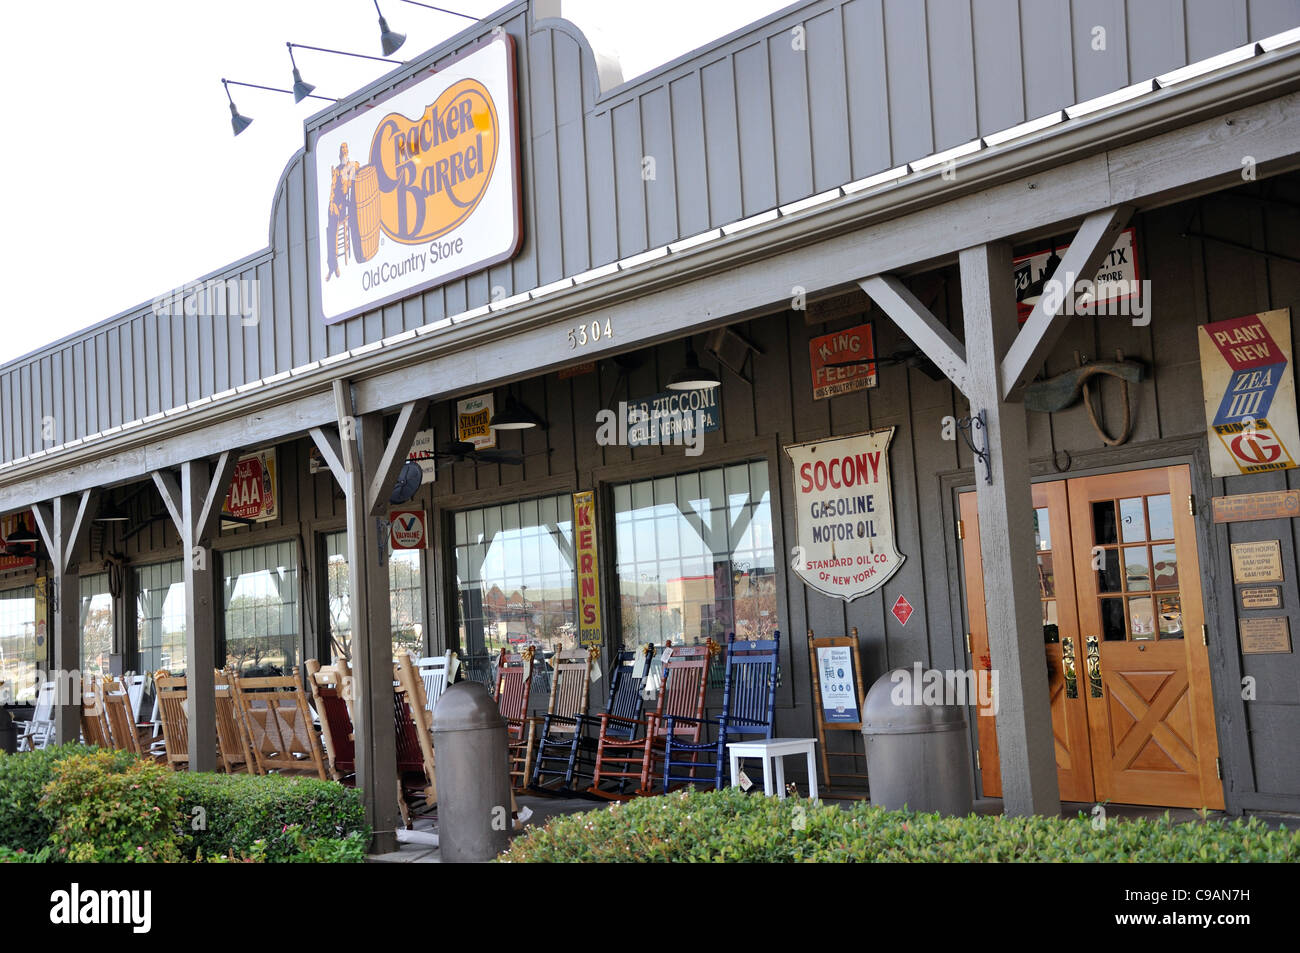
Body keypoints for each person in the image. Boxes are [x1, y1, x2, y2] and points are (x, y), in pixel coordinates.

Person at [325, 143, 360, 281]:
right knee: (331, 227)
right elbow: (332, 189)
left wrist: (350, 168)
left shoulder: (351, 166)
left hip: (346, 204)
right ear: (340, 153)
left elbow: (356, 169)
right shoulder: (337, 170)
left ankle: (333, 265)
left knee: (332, 226)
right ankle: (333, 265)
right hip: (337, 204)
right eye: (342, 150)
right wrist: (331, 204)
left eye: (345, 149)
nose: (344, 152)